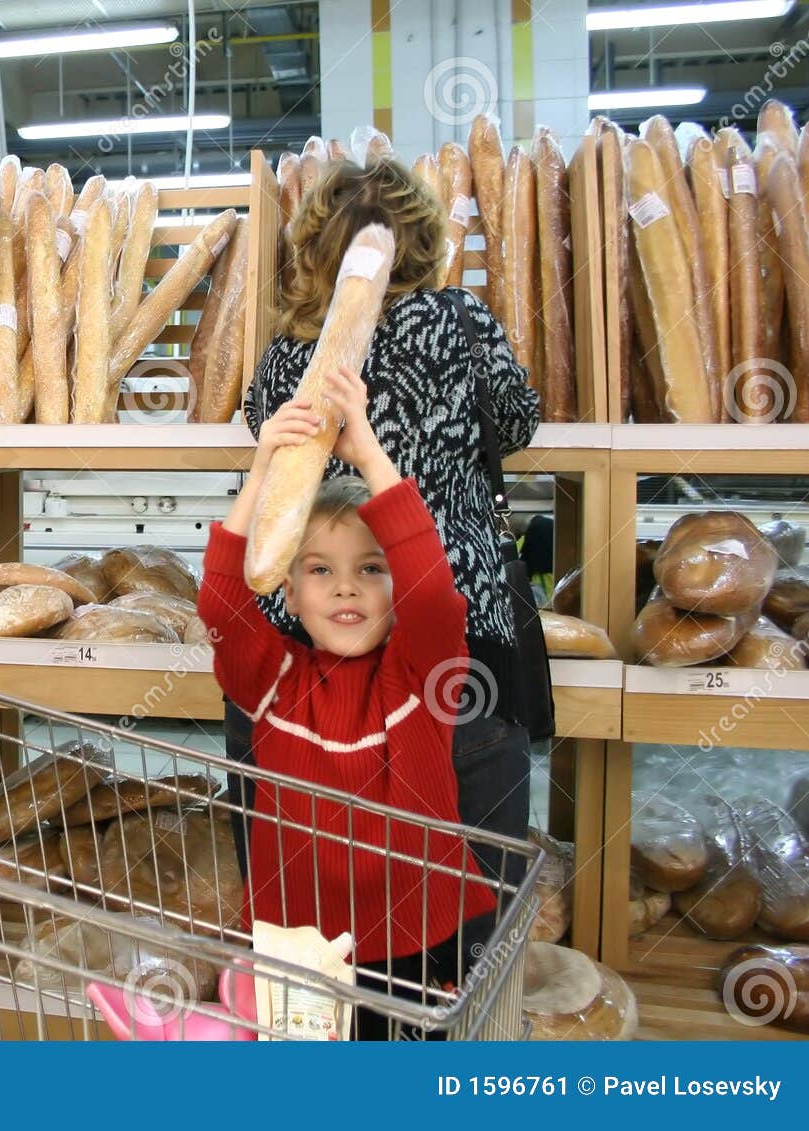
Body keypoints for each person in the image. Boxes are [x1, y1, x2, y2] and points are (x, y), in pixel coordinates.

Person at [235, 160, 542, 886]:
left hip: (313, 652)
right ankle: (449, 993)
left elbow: (260, 431)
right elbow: (519, 421)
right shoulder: (463, 326)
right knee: (465, 881)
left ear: (314, 247)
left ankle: (329, 1000)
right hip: (448, 642)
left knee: (320, 889)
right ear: (424, 241)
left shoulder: (289, 357)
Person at [198, 368, 497, 1040]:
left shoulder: (419, 677)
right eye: (319, 569)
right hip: (300, 949)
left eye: (371, 567)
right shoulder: (272, 679)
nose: (345, 589)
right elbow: (220, 603)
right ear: (291, 593)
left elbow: (434, 596)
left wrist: (368, 453)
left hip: (418, 938)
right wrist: (263, 466)